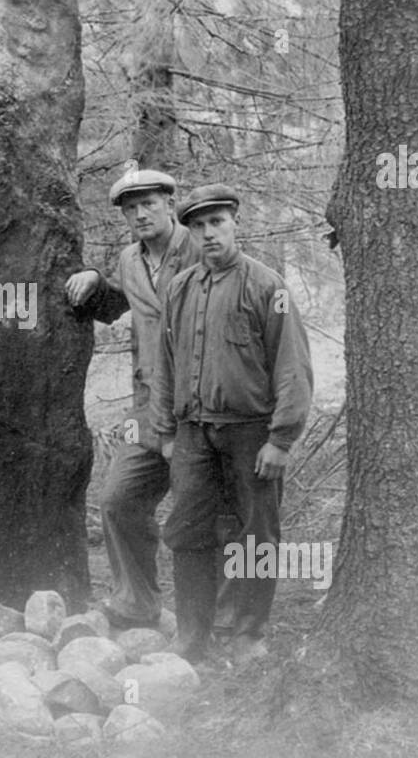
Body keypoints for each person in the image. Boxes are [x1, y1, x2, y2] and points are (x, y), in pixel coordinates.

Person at [152, 184, 313, 666]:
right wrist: (165, 431)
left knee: (256, 534)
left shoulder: (268, 286)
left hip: (252, 433)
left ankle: (248, 634)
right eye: (198, 226)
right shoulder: (180, 288)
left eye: (216, 223)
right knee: (187, 531)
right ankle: (192, 635)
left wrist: (281, 438)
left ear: (234, 223)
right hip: (194, 433)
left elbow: (293, 366)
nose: (208, 234)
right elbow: (166, 362)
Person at [65, 167, 198, 628]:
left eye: (149, 204)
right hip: (147, 407)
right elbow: (123, 302)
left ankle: (218, 620)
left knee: (202, 513)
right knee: (119, 499)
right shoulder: (129, 259)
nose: (140, 214)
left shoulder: (201, 248)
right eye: (131, 208)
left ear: (169, 203)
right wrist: (93, 281)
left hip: (200, 405)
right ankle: (136, 602)